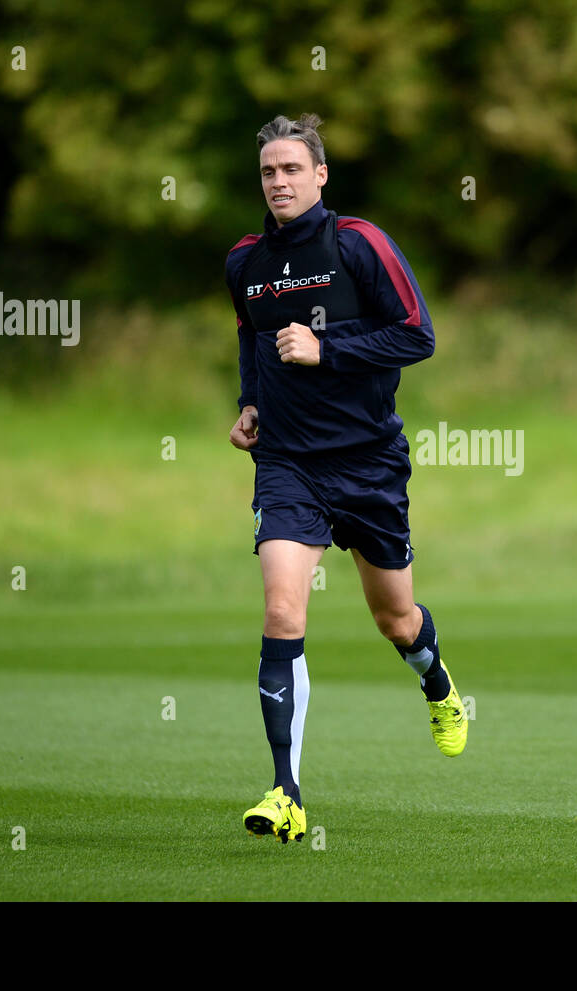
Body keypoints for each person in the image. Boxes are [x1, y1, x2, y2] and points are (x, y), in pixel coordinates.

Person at [225, 113, 467, 844]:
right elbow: (250, 337)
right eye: (269, 171)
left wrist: (325, 348)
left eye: (292, 169)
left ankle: (437, 682)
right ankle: (286, 790)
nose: (279, 182)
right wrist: (249, 402)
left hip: (368, 462)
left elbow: (417, 334)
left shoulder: (361, 244)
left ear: (320, 174)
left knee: (395, 618)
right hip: (289, 464)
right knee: (282, 612)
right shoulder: (244, 261)